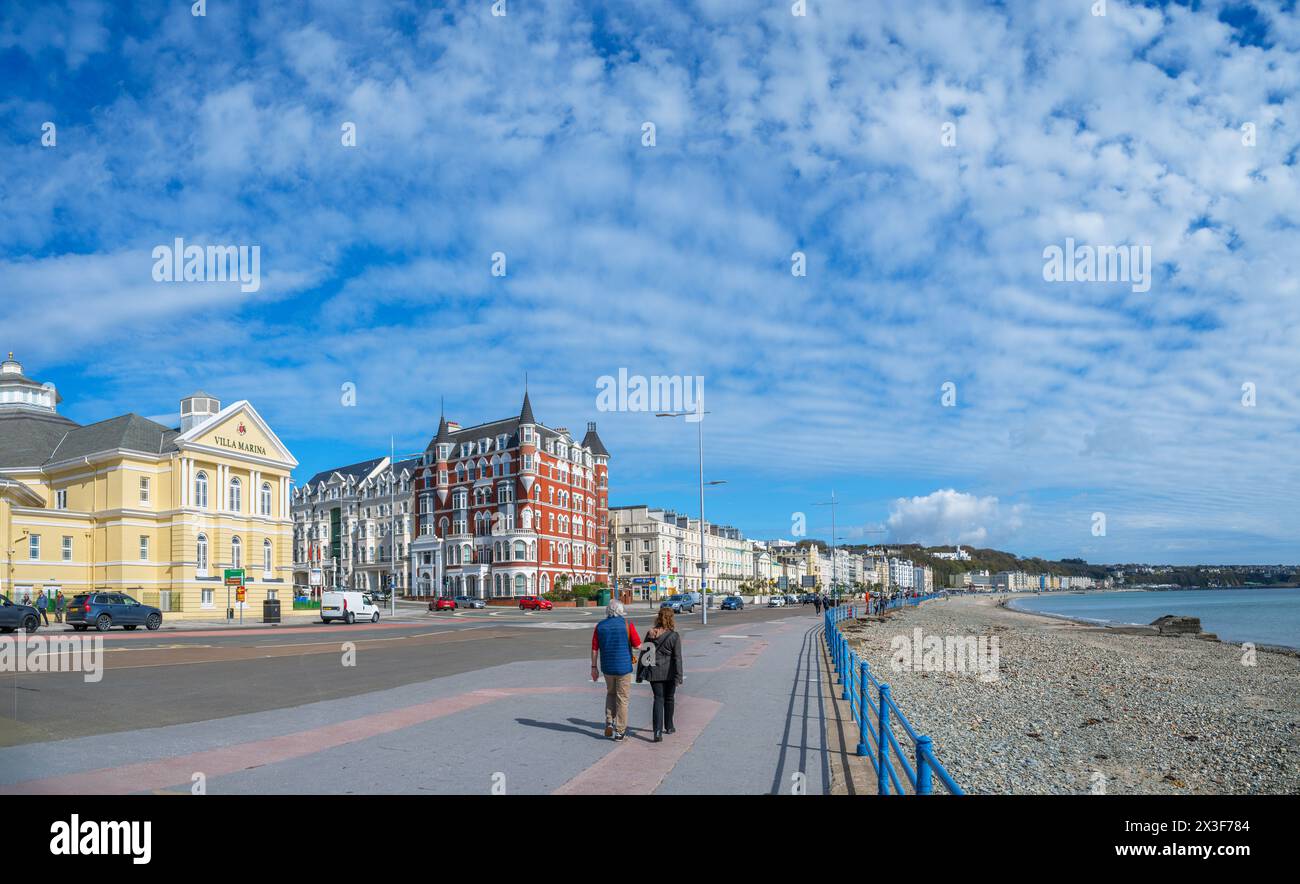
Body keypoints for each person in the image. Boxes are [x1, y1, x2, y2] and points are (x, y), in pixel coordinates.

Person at [591, 600, 641, 741]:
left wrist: (594, 668)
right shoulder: (627, 625)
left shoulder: (600, 626)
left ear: (608, 611)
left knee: (611, 693)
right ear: (620, 610)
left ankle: (609, 721)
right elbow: (637, 645)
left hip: (607, 668)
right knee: (622, 698)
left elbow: (595, 649)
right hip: (624, 668)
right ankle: (620, 731)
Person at [640, 608, 685, 742]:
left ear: (658, 618)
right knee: (669, 698)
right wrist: (679, 675)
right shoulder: (674, 636)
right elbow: (677, 658)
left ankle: (657, 732)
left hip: (654, 672)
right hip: (669, 673)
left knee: (658, 699)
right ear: (671, 618)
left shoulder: (650, 633)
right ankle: (669, 726)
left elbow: (644, 655)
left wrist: (640, 674)